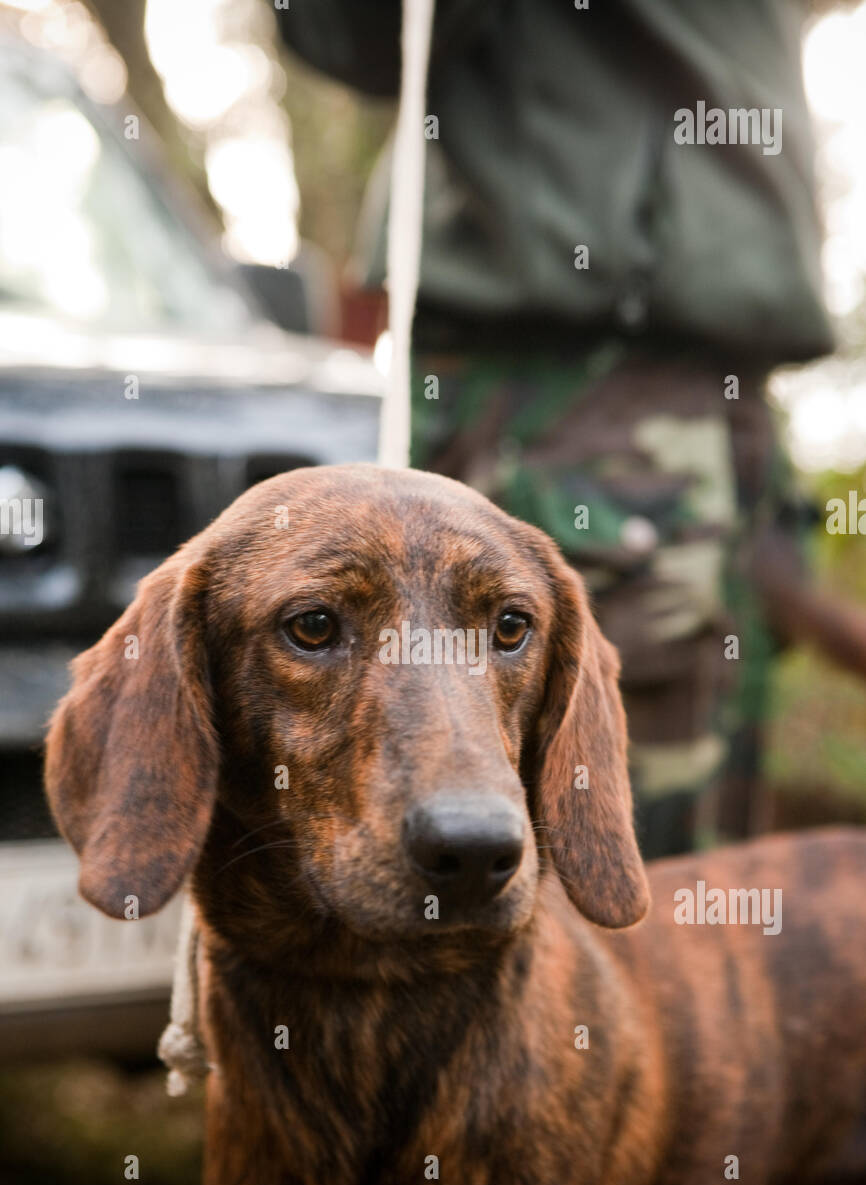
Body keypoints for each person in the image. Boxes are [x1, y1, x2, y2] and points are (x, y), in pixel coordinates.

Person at [274, 0, 833, 858]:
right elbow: (352, 31)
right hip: (562, 398)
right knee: (598, 891)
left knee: (698, 897)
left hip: (718, 400)